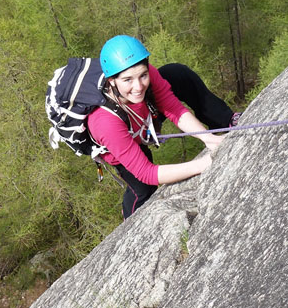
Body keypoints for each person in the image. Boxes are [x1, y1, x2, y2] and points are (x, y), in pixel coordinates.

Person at [87, 35, 239, 219]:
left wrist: (209, 138)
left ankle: (226, 121)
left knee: (177, 74)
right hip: (121, 139)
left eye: (143, 75)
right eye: (127, 80)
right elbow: (146, 172)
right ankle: (131, 220)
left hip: (144, 116)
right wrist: (204, 164)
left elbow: (173, 108)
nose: (138, 86)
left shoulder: (144, 74)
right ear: (111, 81)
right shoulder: (104, 121)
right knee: (143, 188)